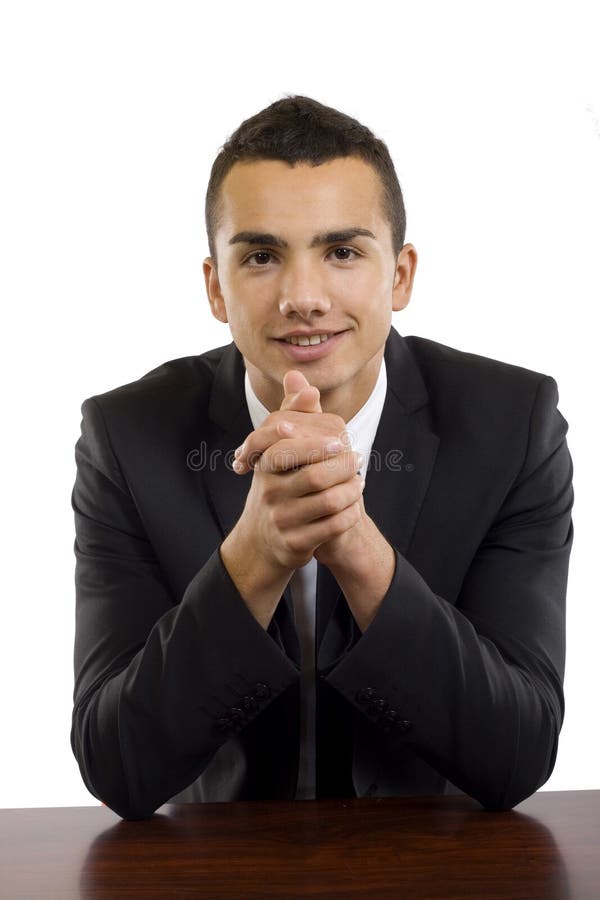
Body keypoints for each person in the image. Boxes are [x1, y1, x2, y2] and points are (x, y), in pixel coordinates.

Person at [71, 95, 574, 821]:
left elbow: (517, 755)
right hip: (218, 873)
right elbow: (117, 765)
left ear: (399, 276)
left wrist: (358, 549)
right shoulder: (126, 438)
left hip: (436, 870)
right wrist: (255, 557)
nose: (303, 298)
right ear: (216, 286)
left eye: (341, 252)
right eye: (261, 256)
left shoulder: (512, 427)